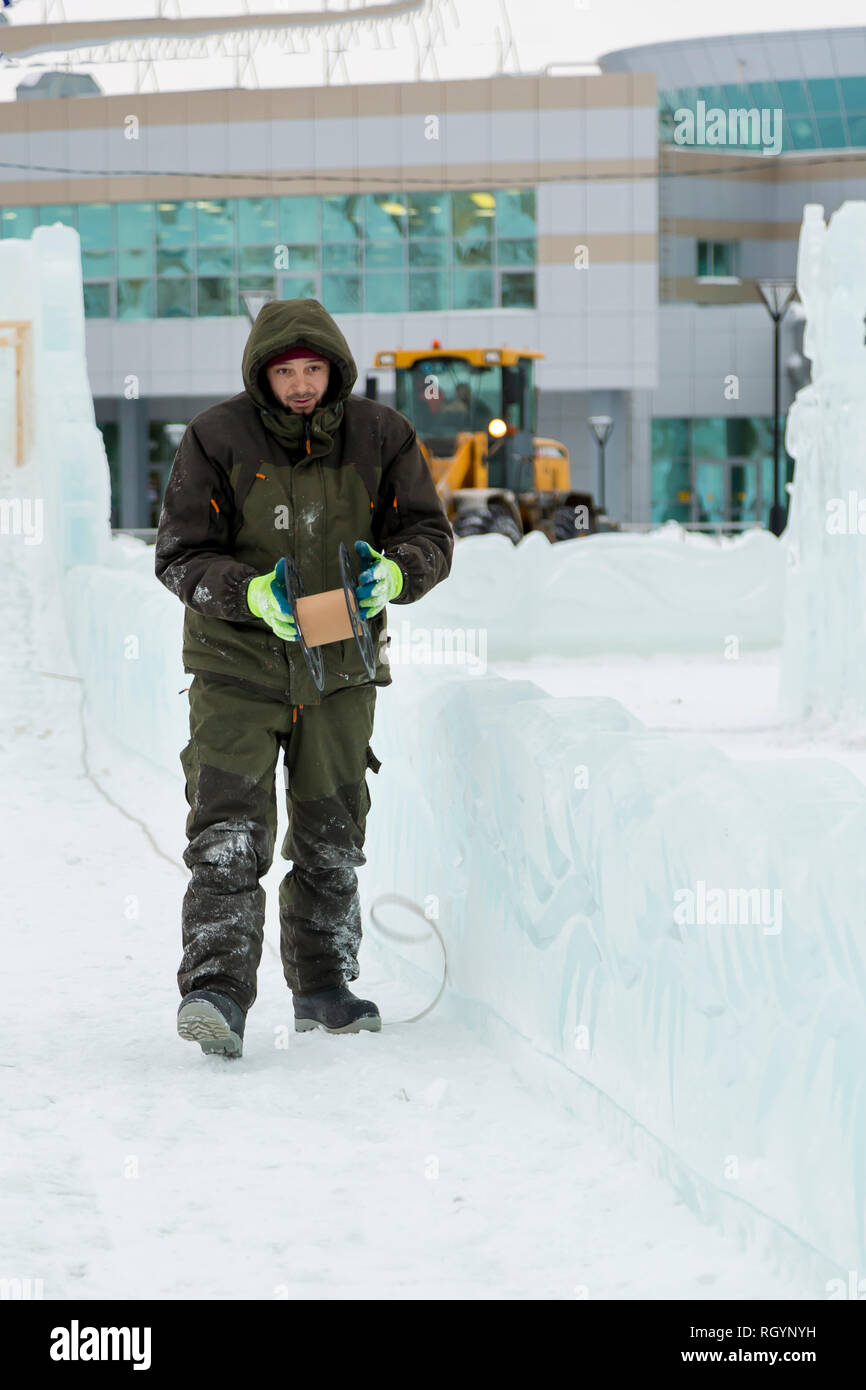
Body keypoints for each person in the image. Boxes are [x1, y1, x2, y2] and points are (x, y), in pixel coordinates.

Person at [154, 298, 454, 1058]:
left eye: (312, 369)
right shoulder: (216, 437)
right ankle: (217, 991)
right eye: (285, 371)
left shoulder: (381, 436)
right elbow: (179, 554)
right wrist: (246, 593)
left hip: (341, 667)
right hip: (236, 667)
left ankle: (324, 987)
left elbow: (428, 533)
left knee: (332, 835)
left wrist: (398, 573)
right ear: (263, 373)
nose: (299, 385)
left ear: (335, 368)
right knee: (229, 834)